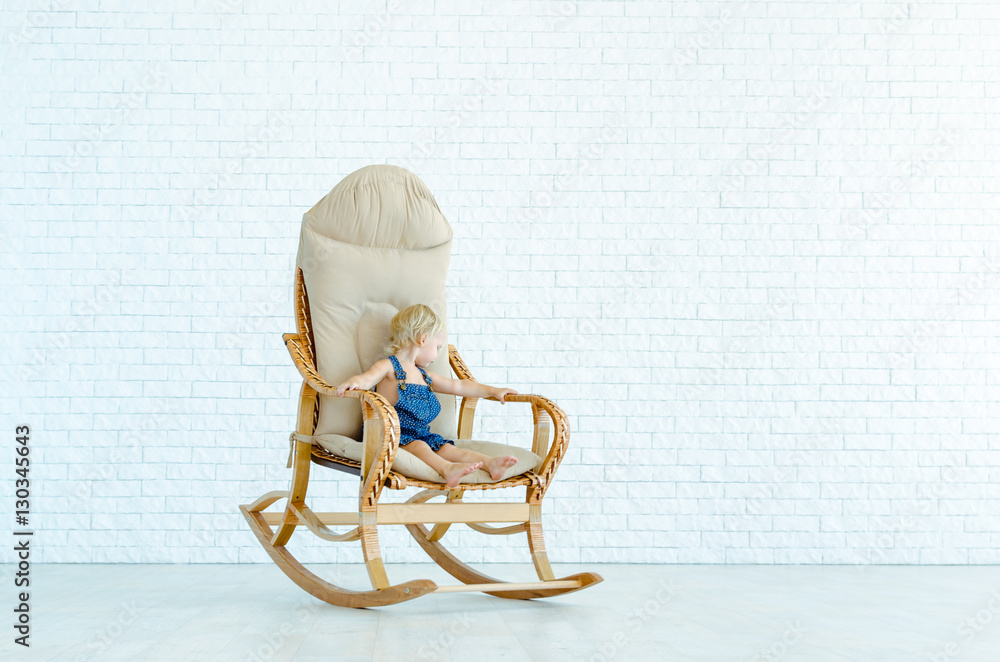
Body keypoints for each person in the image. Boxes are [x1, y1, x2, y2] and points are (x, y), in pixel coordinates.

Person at [335, 304, 520, 487]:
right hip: (390, 434)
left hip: (420, 434)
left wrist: (494, 391)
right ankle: (447, 469)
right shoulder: (390, 366)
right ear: (423, 339)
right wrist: (355, 383)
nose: (437, 355)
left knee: (448, 448)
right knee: (420, 446)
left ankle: (490, 464)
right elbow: (367, 378)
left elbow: (459, 385)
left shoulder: (425, 376)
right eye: (438, 347)